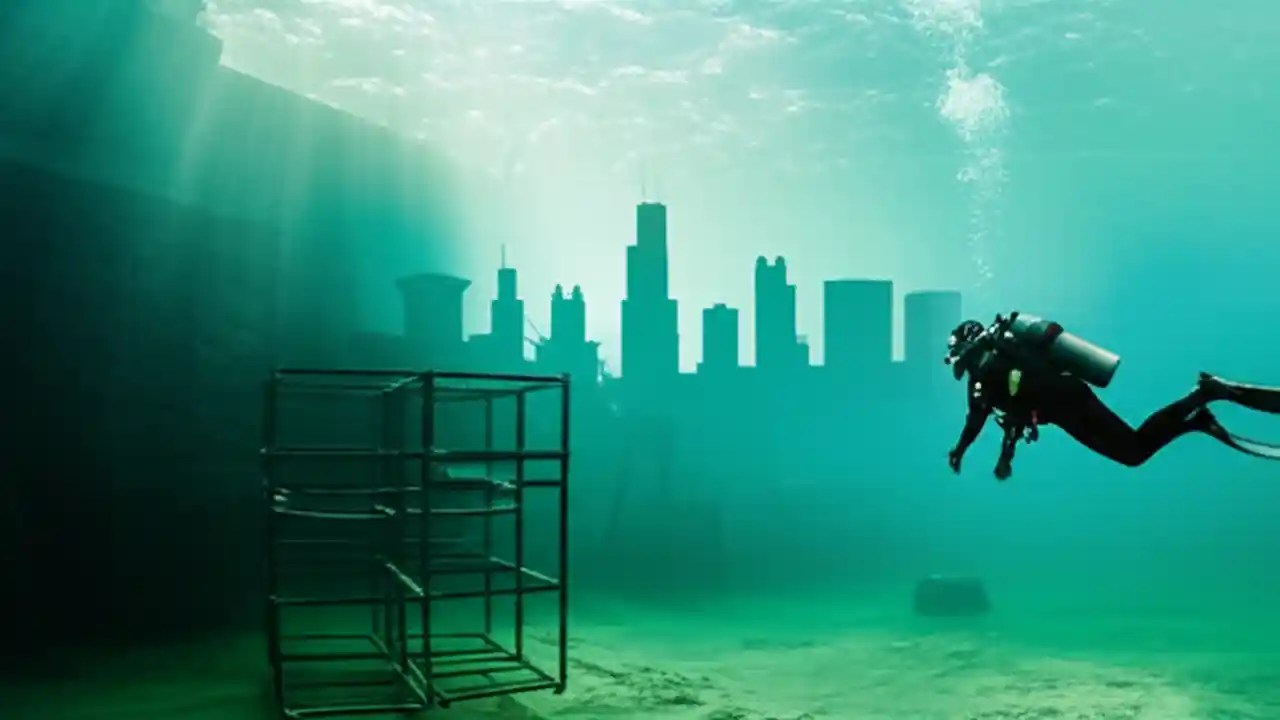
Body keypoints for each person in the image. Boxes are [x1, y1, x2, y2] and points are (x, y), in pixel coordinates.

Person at [944, 313, 1280, 480]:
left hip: (1066, 409)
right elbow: (1014, 407)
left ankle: (1199, 404)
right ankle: (1196, 413)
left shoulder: (983, 377)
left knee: (1133, 452)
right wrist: (1004, 457)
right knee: (1133, 449)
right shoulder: (1006, 356)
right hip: (1072, 395)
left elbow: (981, 419)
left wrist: (960, 451)